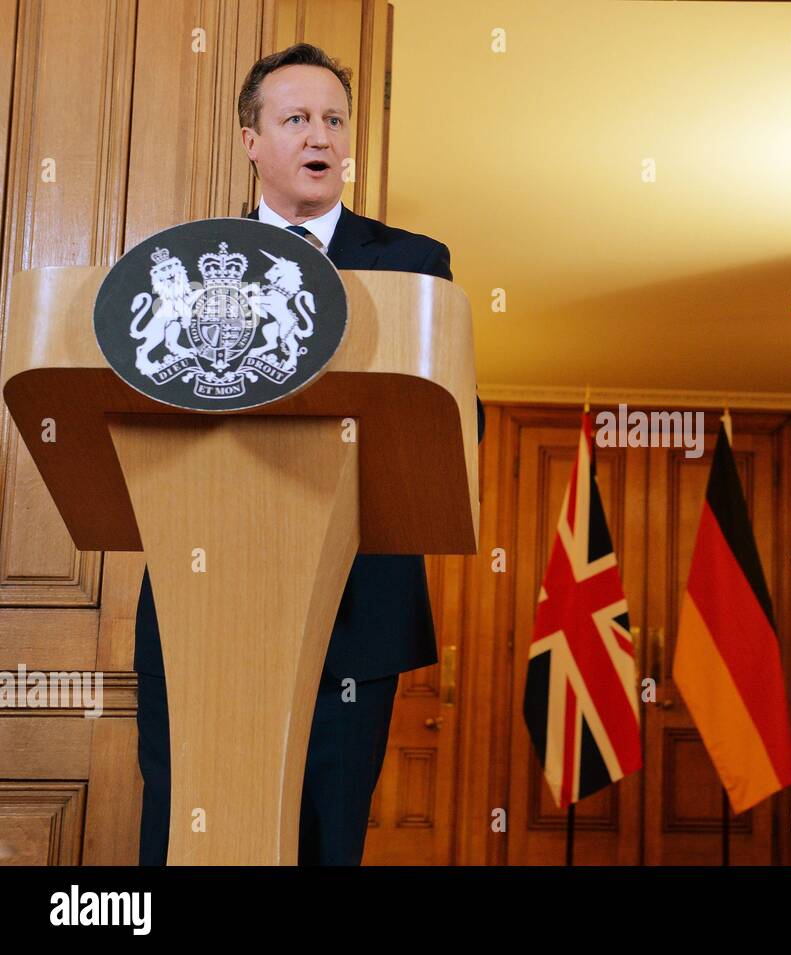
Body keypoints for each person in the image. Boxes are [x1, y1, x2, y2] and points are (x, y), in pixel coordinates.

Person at [134, 43, 485, 865]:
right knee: (184, 830)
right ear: (252, 141)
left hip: (353, 614)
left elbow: (454, 420)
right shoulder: (182, 267)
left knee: (323, 840)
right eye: (295, 119)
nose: (318, 135)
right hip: (203, 599)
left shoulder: (413, 265)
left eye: (332, 119)